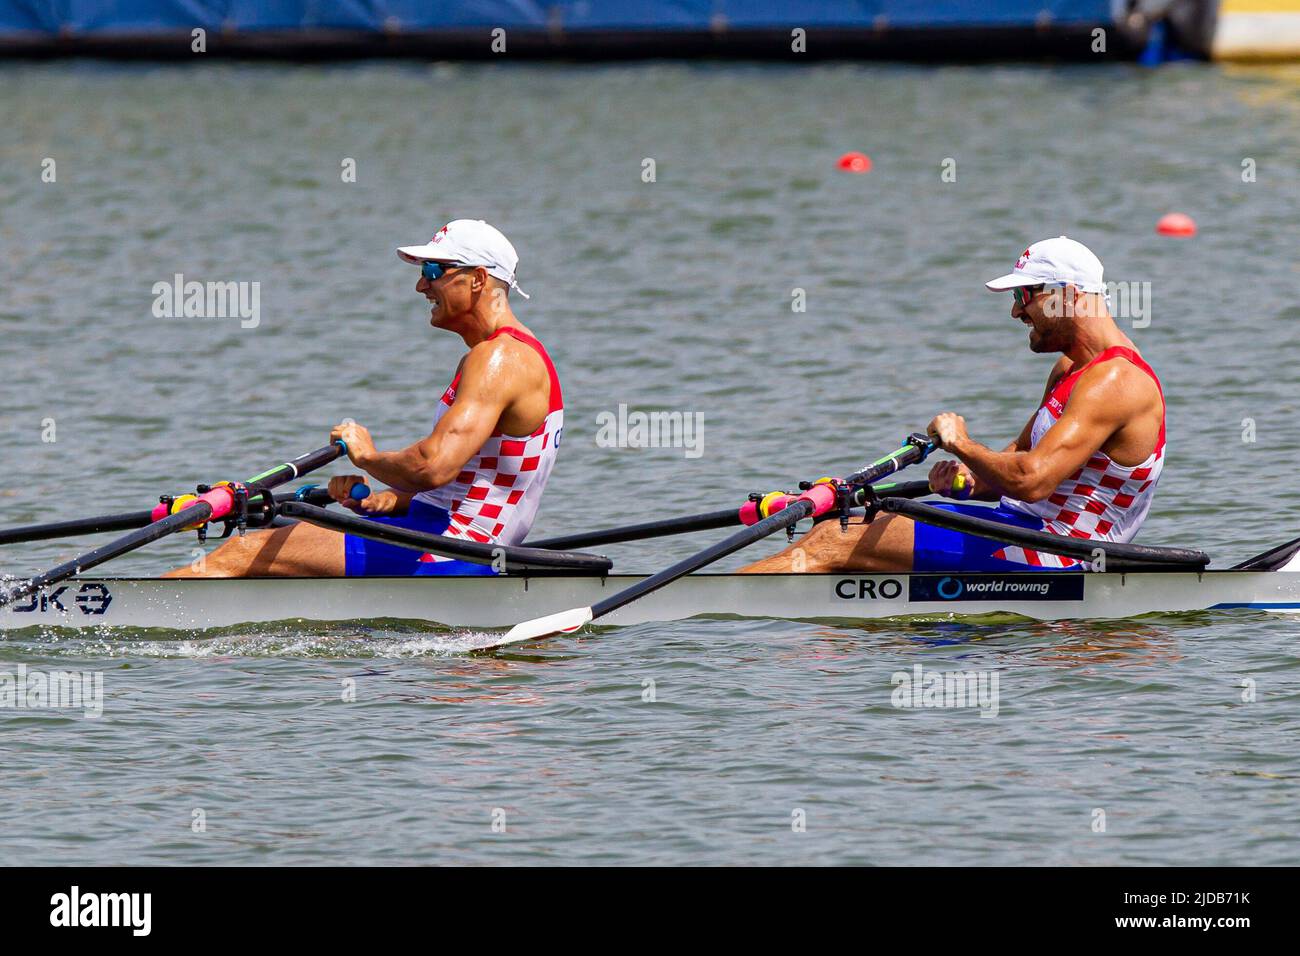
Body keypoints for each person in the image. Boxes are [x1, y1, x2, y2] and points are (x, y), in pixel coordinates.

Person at [165, 219, 563, 578]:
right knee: (278, 535)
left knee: (242, 551)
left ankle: (114, 618)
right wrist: (384, 501)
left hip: (453, 550)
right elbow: (471, 483)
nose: (421, 286)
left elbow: (433, 468)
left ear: (477, 279)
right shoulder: (505, 356)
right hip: (444, 536)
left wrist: (367, 456)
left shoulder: (500, 359)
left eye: (433, 272)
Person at [742, 236, 1164, 573]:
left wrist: (961, 444)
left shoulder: (1116, 380)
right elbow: (1018, 460)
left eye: (1024, 296)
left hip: (1066, 554)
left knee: (835, 539)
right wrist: (969, 480)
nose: (1016, 312)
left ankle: (708, 620)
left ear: (1066, 295)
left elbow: (1032, 481)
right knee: (837, 527)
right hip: (1022, 530)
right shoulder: (1071, 369)